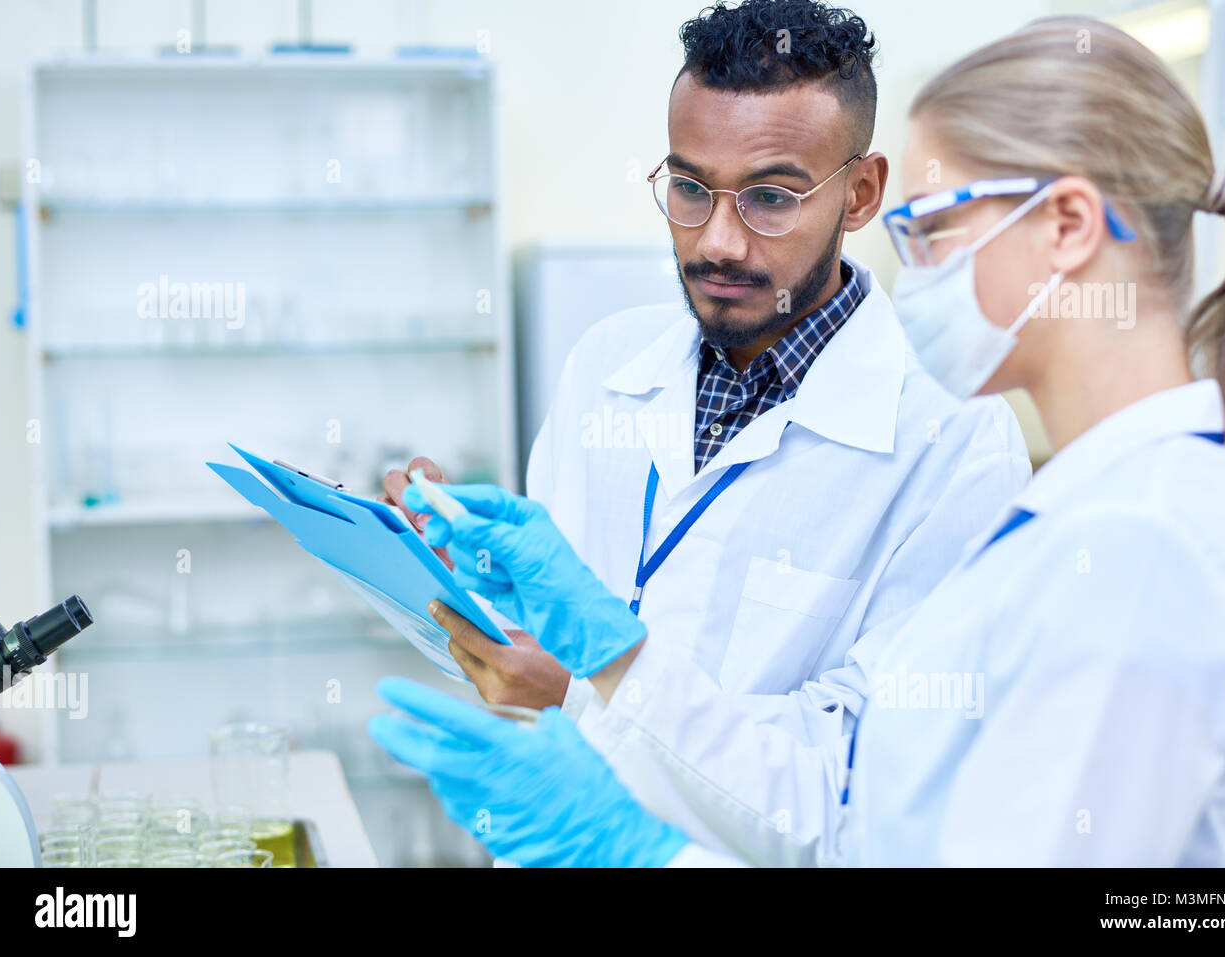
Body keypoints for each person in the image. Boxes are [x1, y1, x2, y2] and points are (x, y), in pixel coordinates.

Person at [371, 14, 1225, 868]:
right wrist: (562, 640)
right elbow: (867, 806)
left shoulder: (1139, 543)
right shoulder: (1094, 514)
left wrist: (636, 844)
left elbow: (860, 806)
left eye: (931, 233)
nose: (916, 274)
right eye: (690, 187)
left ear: (1069, 227)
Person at [379, 0, 1029, 855]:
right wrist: (452, 572)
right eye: (689, 187)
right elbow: (535, 635)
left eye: (770, 196)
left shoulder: (957, 451)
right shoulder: (606, 364)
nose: (717, 240)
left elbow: (861, 787)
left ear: (862, 192)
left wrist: (578, 697)